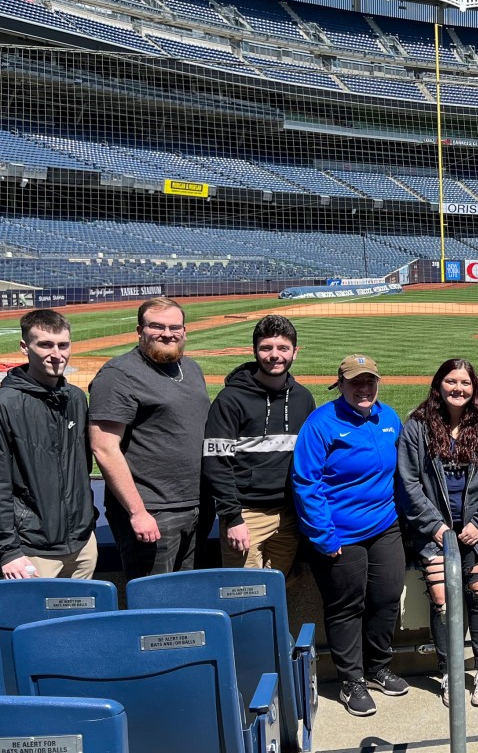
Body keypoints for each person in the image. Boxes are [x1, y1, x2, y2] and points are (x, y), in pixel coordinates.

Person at [397, 359, 478, 708]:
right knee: (441, 600)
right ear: (439, 384)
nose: (458, 389)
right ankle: (450, 670)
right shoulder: (418, 426)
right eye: (451, 381)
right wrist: (434, 525)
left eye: (465, 383)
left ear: (473, 387)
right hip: (432, 530)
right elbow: (407, 483)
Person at [292, 354, 407, 718]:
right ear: (339, 385)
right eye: (355, 381)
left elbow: (400, 474)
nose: (363, 388)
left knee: (388, 598)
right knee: (346, 606)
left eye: (369, 381)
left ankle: (378, 668)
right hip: (340, 532)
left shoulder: (388, 417)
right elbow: (306, 482)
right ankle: (351, 680)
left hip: (385, 525)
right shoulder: (321, 423)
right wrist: (324, 536)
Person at [88, 296, 210, 579]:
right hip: (153, 512)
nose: (167, 334)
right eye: (157, 326)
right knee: (153, 605)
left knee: (187, 599)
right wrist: (137, 512)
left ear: (184, 331)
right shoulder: (119, 375)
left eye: (175, 327)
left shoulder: (191, 369)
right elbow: (104, 447)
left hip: (196, 506)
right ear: (140, 330)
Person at [204, 315, 315, 574]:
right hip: (246, 514)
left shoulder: (303, 398)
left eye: (282, 348)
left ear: (294, 353)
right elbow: (216, 463)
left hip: (289, 514)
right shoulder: (230, 399)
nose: (274, 355)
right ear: (255, 351)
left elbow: (311, 458)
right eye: (266, 348)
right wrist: (232, 517)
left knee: (280, 585)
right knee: (245, 593)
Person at [0, 310, 95, 579]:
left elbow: (81, 469)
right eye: (45, 345)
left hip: (82, 545)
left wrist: (88, 522)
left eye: (63, 345)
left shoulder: (76, 398)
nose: (57, 354)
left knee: (82, 620)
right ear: (24, 348)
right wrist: (7, 550)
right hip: (31, 551)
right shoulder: (6, 404)